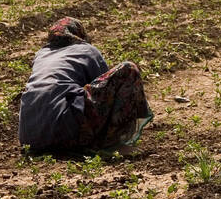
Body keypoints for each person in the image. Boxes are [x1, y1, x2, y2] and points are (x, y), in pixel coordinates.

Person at [18, 17, 153, 155]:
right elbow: (103, 89)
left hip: (29, 137)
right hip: (66, 130)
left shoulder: (41, 54)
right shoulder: (87, 50)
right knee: (128, 69)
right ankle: (112, 143)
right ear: (78, 34)